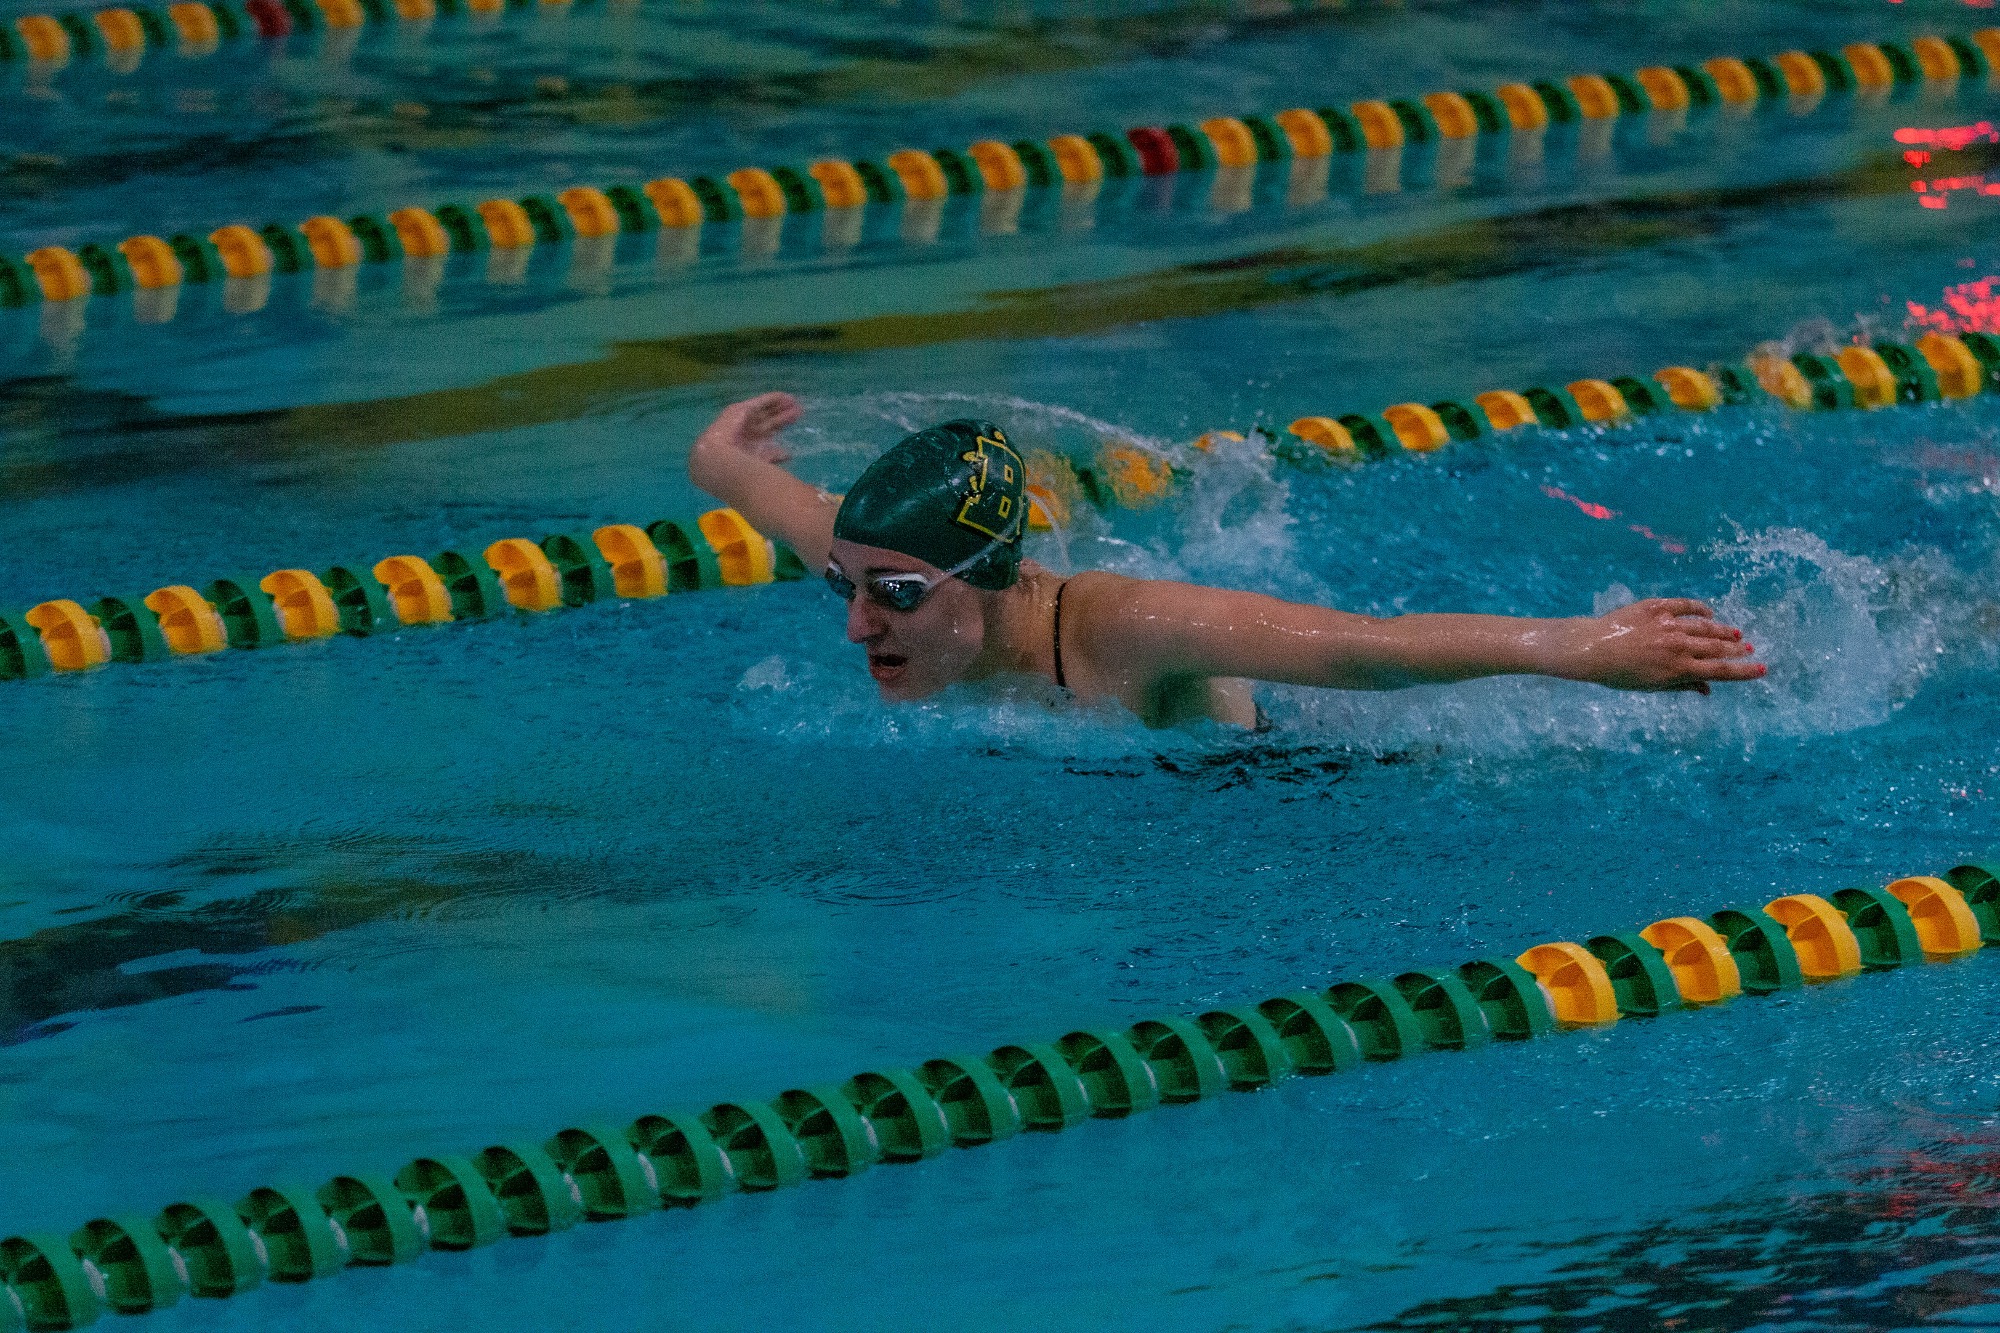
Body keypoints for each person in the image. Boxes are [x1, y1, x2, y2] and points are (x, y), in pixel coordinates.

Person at [688, 392, 1765, 727]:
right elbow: (760, 490)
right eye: (847, 586)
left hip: (1302, 792)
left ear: (990, 575)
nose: (855, 623)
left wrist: (1576, 643)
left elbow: (1358, 652)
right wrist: (722, 458)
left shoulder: (1119, 631)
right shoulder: (884, 558)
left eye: (897, 595)